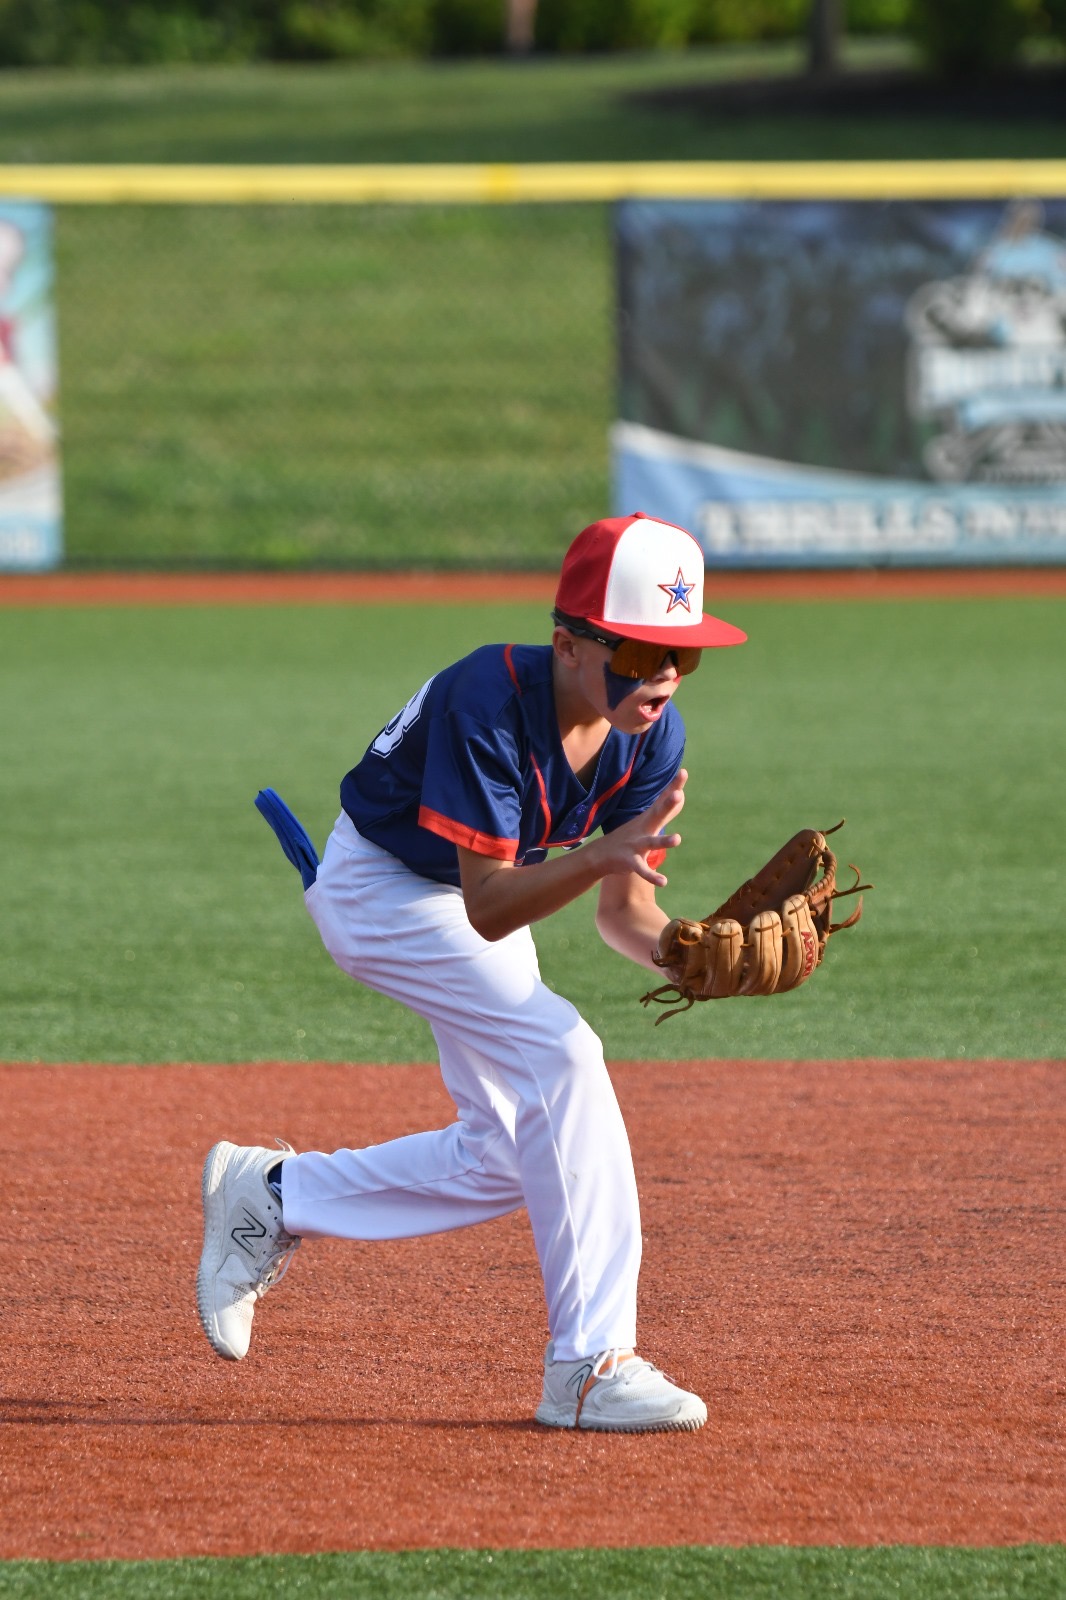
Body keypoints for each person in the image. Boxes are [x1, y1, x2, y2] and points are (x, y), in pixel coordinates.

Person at [196, 511, 747, 1432]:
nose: (662, 676)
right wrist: (603, 853)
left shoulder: (652, 735)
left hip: (471, 900)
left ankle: (275, 1194)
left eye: (683, 655)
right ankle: (589, 1365)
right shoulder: (485, 702)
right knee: (564, 1053)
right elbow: (492, 904)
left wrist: (680, 954)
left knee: (510, 1151)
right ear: (570, 644)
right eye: (644, 648)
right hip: (382, 893)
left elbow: (622, 912)